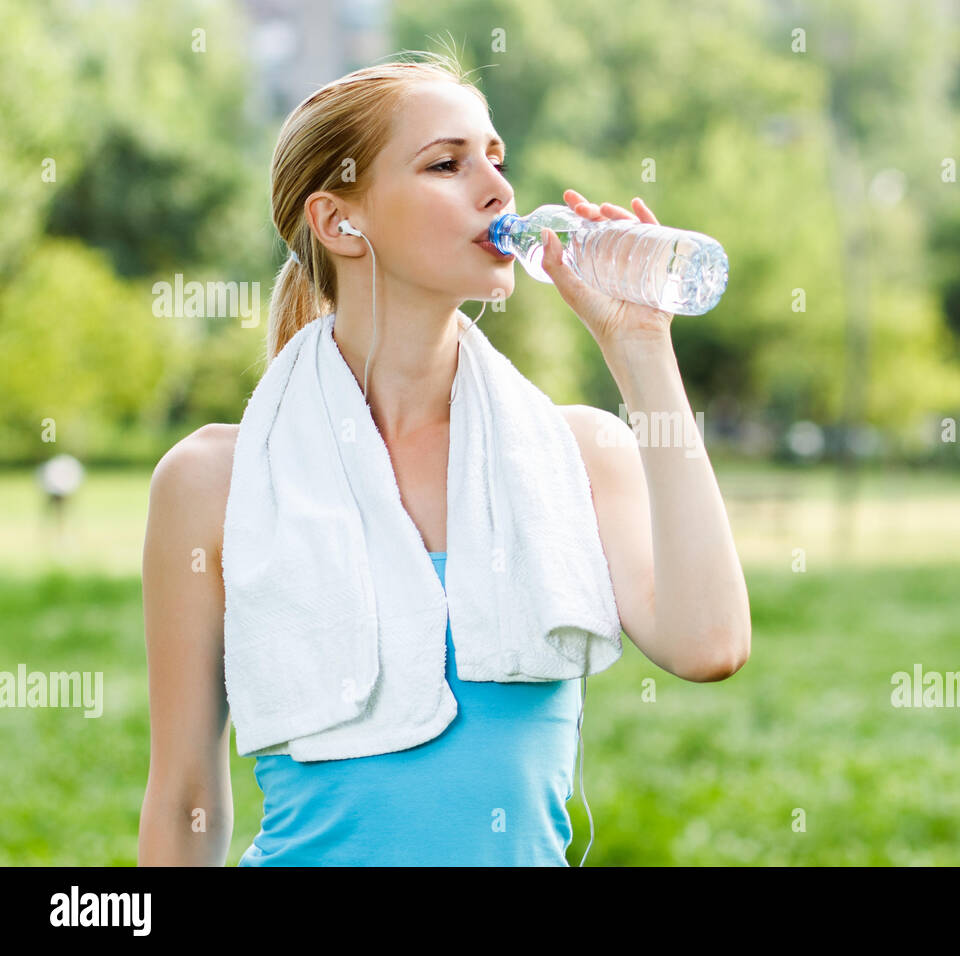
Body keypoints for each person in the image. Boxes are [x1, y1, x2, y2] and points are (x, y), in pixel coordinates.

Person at [138, 50, 751, 867]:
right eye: (446, 164)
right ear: (338, 222)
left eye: (495, 159)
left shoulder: (579, 453)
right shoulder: (216, 481)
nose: (498, 190)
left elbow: (709, 644)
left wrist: (641, 347)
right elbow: (184, 793)